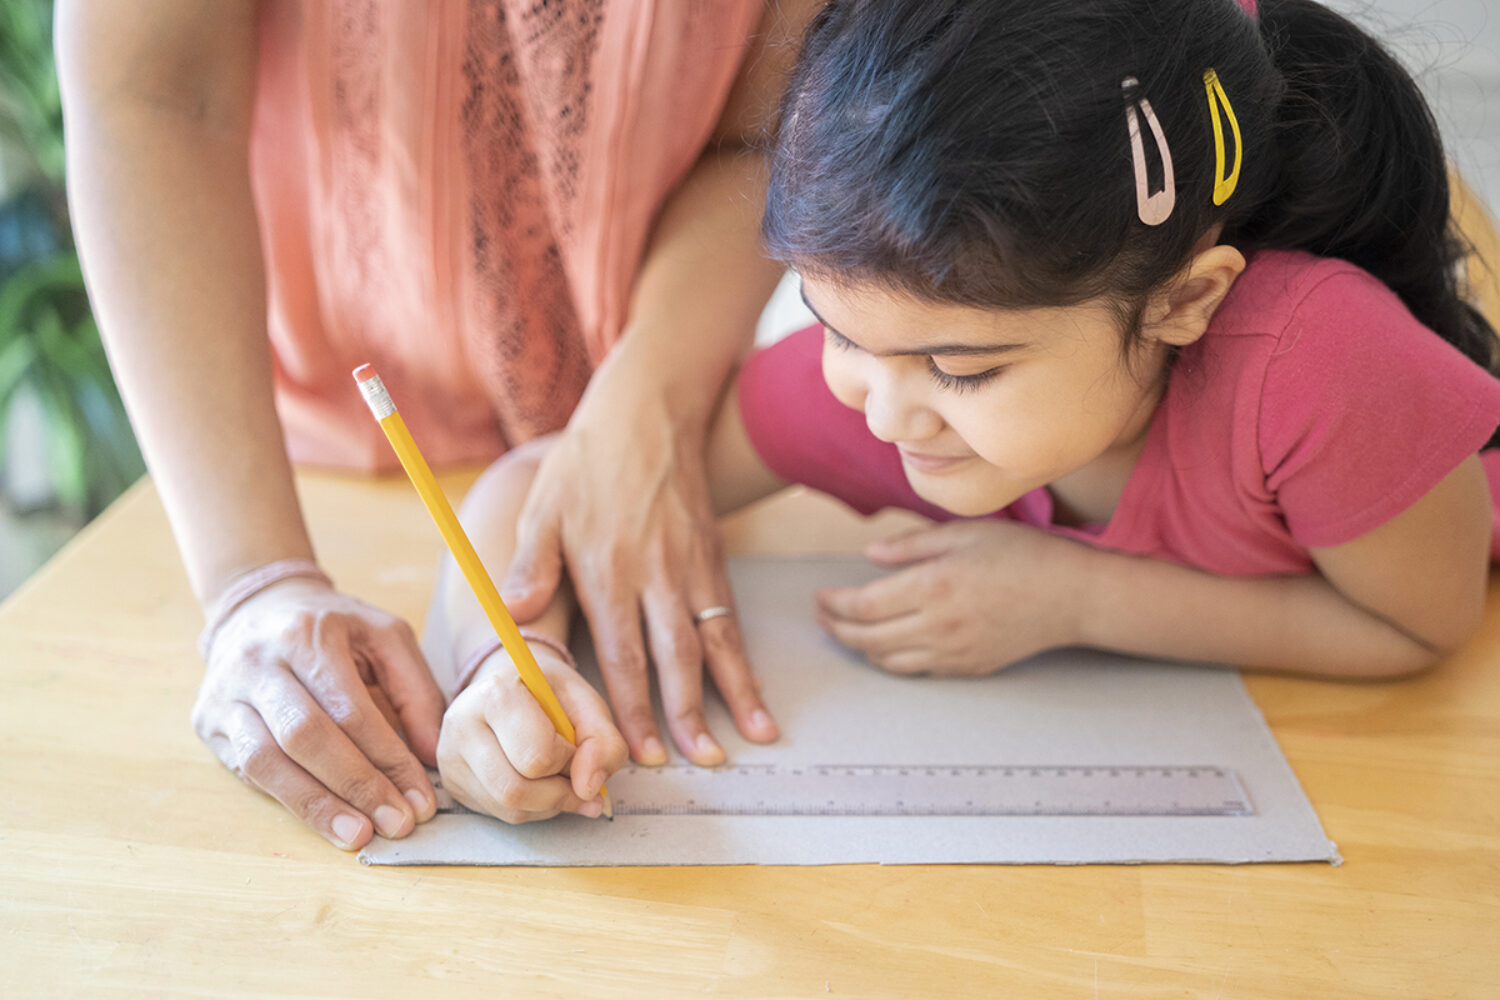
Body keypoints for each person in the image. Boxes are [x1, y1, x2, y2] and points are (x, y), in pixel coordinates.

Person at [422, 0, 1500, 824]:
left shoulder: (1324, 364)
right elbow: (548, 486)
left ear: (1185, 300)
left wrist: (1080, 600)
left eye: (964, 369)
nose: (887, 411)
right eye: (835, 326)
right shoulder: (882, 382)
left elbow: (1421, 621)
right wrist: (500, 663)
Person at [56, 0, 823, 851]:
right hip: (312, 459)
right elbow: (154, 91)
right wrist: (253, 583)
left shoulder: (827, 407)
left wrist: (649, 400)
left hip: (662, 413)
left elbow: (767, 127)